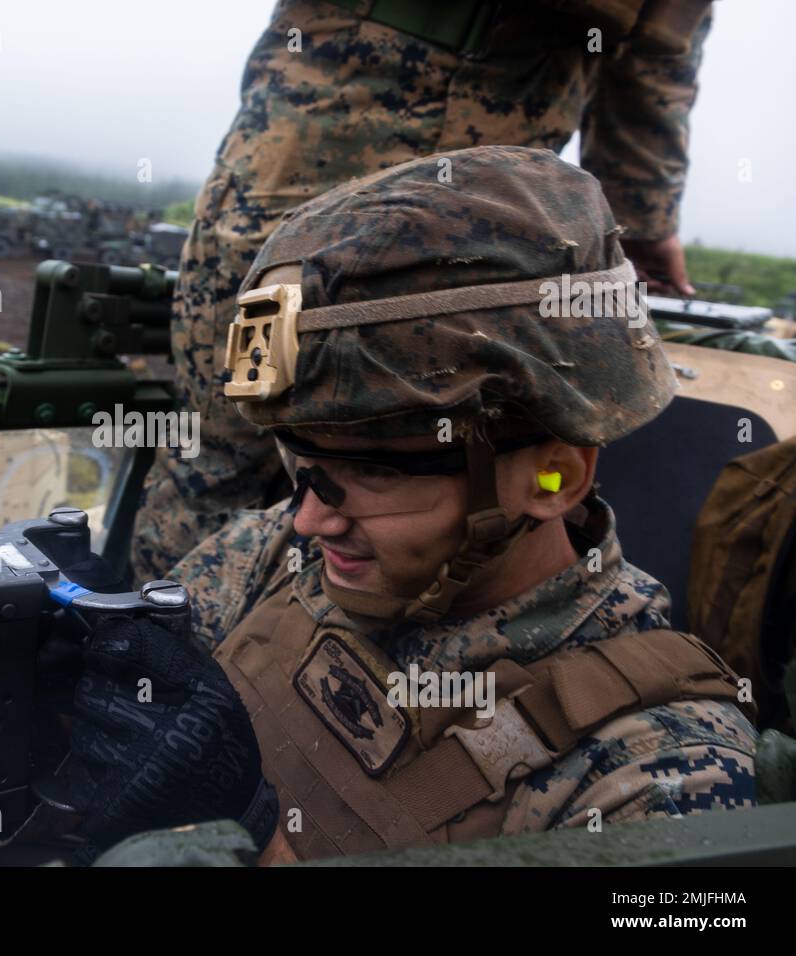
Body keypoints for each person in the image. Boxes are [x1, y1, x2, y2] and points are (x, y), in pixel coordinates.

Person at [59, 146, 756, 865]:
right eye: (304, 460)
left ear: (555, 476)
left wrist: (255, 844)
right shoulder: (283, 554)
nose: (309, 517)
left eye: (375, 472)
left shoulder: (661, 775)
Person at [132, 0, 714, 584]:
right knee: (247, 437)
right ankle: (185, 640)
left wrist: (639, 219)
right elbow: (658, 59)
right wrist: (643, 219)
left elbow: (656, 52)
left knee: (355, 469)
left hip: (445, 172)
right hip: (390, 150)